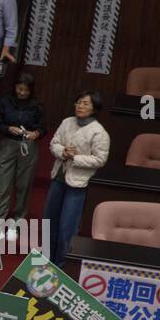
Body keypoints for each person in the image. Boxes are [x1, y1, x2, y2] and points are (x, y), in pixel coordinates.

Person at [42, 90, 110, 267]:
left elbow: (100, 160)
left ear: (94, 108)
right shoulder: (67, 122)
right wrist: (62, 152)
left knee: (67, 228)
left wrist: (75, 157)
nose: (80, 106)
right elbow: (54, 143)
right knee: (49, 222)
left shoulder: (99, 132)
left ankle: (61, 266)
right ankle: (45, 260)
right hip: (58, 178)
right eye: (78, 102)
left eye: (86, 103)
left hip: (77, 184)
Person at [0, 73, 45, 229]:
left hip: (28, 146)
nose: (22, 93)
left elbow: (43, 128)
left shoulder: (37, 105)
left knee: (24, 185)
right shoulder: (5, 101)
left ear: (31, 90)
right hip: (8, 143)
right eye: (19, 88)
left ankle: (17, 222)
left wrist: (35, 134)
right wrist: (8, 128)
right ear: (15, 86)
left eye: (26, 90)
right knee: (3, 185)